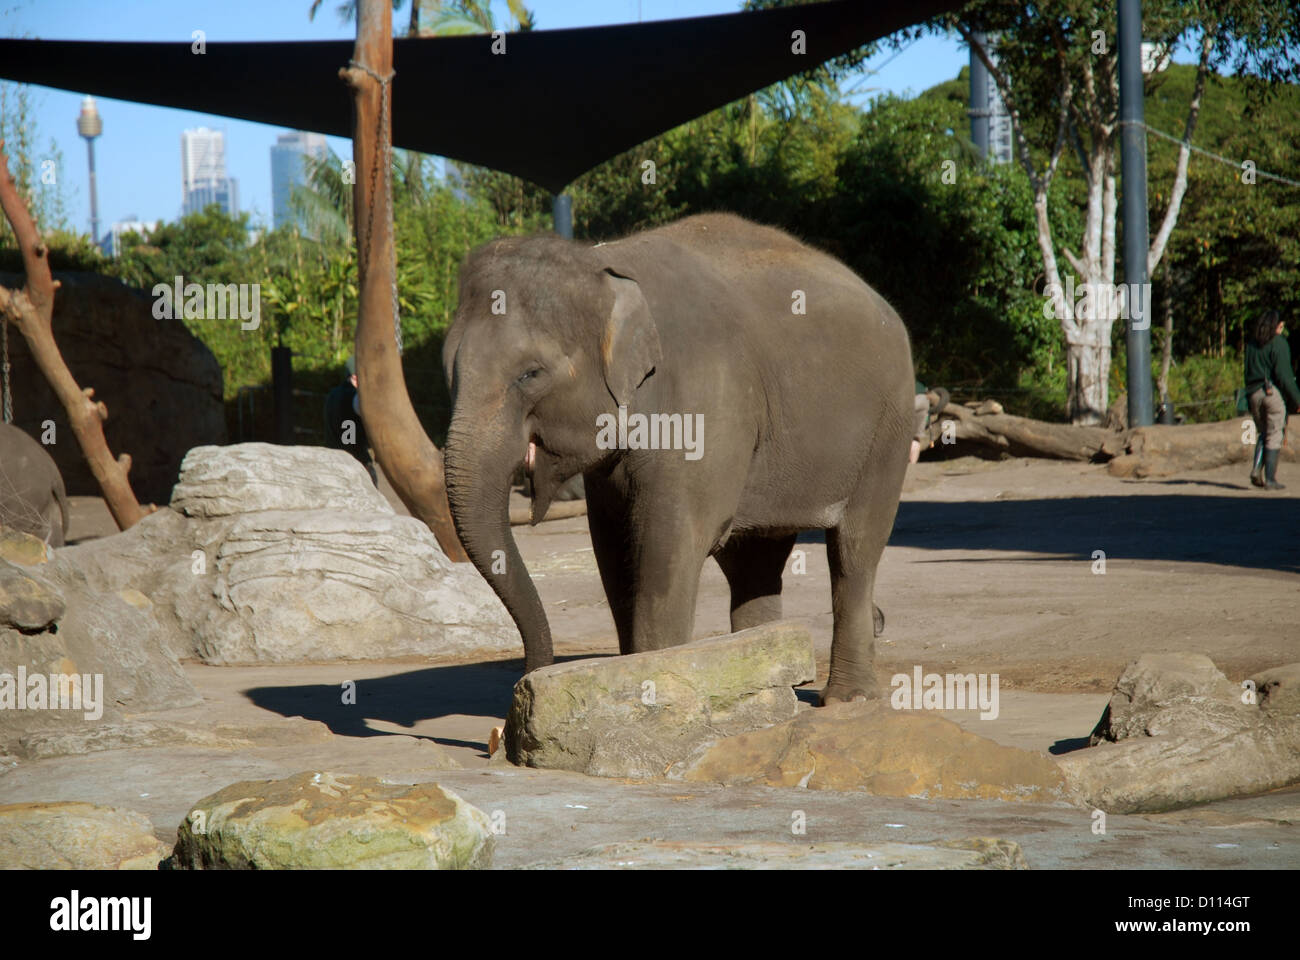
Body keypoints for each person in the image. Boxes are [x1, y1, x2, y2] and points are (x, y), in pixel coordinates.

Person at [1243, 310, 1300, 490]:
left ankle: (1256, 469)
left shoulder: (1251, 344)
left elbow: (1246, 371)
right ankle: (1270, 479)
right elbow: (1284, 375)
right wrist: (1297, 399)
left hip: (1252, 393)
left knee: (1263, 432)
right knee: (1275, 433)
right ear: (1277, 325)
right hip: (1270, 393)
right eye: (1281, 326)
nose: (1282, 329)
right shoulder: (1278, 343)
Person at [324, 355, 378, 485]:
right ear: (355, 377)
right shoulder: (355, 398)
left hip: (332, 461)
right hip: (356, 465)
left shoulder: (333, 394)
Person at [910, 380, 950, 464]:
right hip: (924, 400)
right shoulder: (918, 384)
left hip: (911, 400)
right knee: (916, 437)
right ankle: (912, 464)